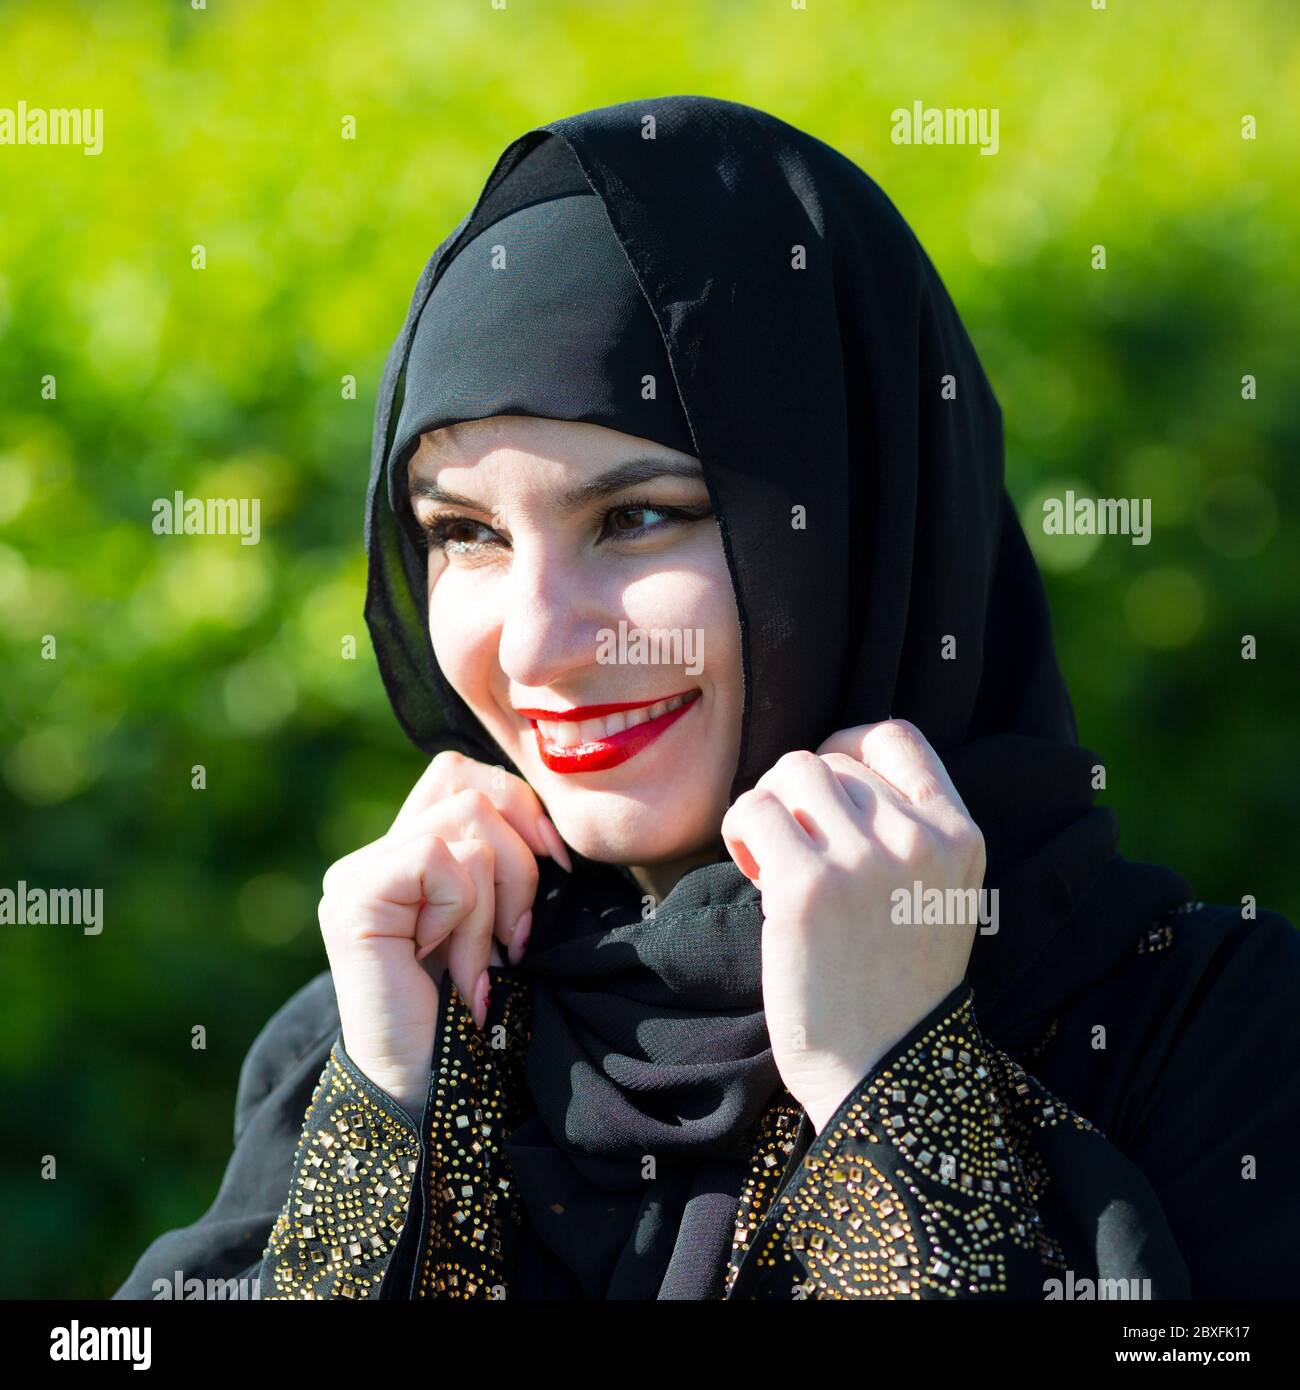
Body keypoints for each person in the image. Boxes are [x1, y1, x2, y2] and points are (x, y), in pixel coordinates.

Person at [113, 95, 1299, 1301]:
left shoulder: (1210, 1036)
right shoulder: (394, 1017)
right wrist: (390, 1134)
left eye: (637, 518)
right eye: (464, 533)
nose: (537, 642)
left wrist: (890, 1084)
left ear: (856, 526)